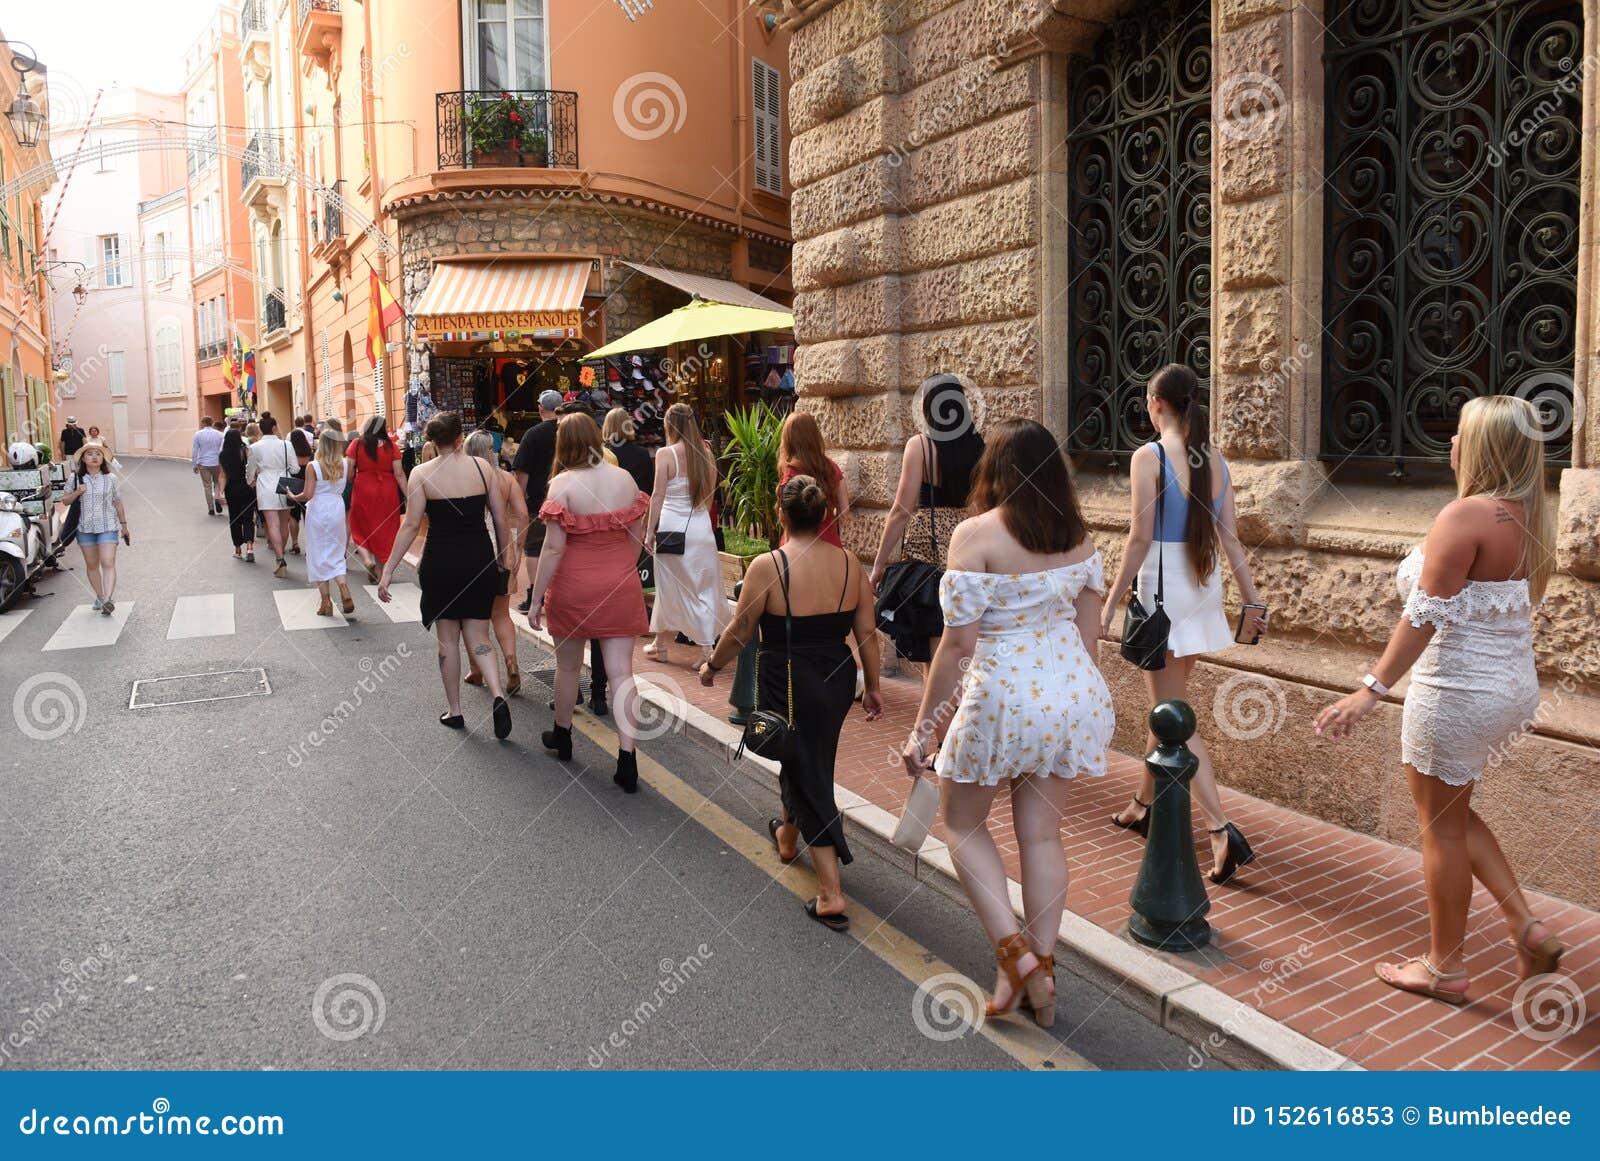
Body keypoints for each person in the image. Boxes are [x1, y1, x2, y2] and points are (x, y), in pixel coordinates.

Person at [1315, 395, 1562, 1003]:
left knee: (1440, 831)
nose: (1448, 443)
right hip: (1509, 692)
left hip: (1456, 693)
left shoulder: (1466, 515)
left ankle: (1444, 967)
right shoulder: (1531, 516)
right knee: (1453, 817)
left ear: (1480, 446)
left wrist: (1369, 690)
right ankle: (1525, 926)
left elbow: (1424, 616)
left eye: (1458, 434)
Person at [903, 419, 1111, 1026]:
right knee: (1042, 836)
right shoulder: (1079, 539)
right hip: (1069, 690)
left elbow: (956, 647)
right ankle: (1037, 970)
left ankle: (1014, 956)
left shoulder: (976, 535)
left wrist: (924, 732)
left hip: (1001, 693)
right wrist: (1070, 699)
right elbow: (1089, 638)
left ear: (995, 471)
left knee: (962, 825)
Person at [1100, 364, 1267, 885]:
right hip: (1201, 583)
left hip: (1163, 588)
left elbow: (1138, 538)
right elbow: (1232, 540)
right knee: (1166, 708)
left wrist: (1107, 603)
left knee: (1172, 716)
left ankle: (1221, 829)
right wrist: (1253, 600)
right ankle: (1142, 805)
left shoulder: (1147, 457)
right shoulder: (1214, 460)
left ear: (1156, 404)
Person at [700, 475, 883, 927]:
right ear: (824, 515)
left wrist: (711, 667)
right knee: (805, 758)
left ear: (781, 514)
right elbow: (867, 635)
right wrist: (873, 687)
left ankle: (831, 892)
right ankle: (786, 835)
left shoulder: (768, 565)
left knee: (808, 772)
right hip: (837, 679)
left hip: (787, 680)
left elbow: (742, 631)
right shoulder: (850, 565)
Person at [526, 413, 650, 789]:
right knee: (622, 673)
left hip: (573, 586)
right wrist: (620, 567)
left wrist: (535, 600)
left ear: (563, 443)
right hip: (619, 583)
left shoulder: (561, 485)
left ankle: (562, 736)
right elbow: (637, 537)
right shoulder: (625, 479)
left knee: (567, 668)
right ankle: (627, 759)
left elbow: (552, 548)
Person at [380, 412, 515, 739]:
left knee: (448, 641)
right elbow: (499, 517)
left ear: (432, 441)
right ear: (460, 438)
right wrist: (505, 558)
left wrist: (388, 570)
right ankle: (497, 693)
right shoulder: (483, 469)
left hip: (441, 562)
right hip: (478, 559)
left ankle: (455, 710)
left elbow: (411, 525)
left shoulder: (421, 474)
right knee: (480, 637)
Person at [868, 374, 986, 661]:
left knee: (934, 636)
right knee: (964, 636)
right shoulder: (979, 445)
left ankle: (935, 703)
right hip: (968, 543)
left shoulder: (920, 446)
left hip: (928, 551)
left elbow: (901, 510)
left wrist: (879, 564)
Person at [644, 402, 728, 665]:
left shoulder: (665, 454)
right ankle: (663, 644)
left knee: (670, 587)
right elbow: (710, 493)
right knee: (702, 587)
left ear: (670, 425)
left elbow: (657, 496)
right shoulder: (706, 451)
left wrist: (648, 532)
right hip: (700, 526)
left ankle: (701, 650)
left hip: (672, 528)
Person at [463, 430, 527, 697]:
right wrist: (518, 548)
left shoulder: (465, 478)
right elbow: (523, 515)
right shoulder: (505, 478)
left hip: (473, 552)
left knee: (472, 618)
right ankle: (511, 662)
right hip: (503, 551)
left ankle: (477, 670)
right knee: (501, 614)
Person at [288, 431, 355, 617]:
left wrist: (294, 496)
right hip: (336, 507)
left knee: (317, 553)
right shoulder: (346, 464)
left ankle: (326, 602)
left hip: (318, 509)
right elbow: (346, 483)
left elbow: (308, 494)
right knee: (336, 550)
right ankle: (343, 586)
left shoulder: (313, 466)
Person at [60, 442, 128, 615]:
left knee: (107, 561)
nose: (94, 457)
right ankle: (99, 596)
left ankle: (107, 600)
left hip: (108, 525)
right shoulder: (75, 478)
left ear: (102, 458)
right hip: (84, 528)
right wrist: (77, 492)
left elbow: (117, 502)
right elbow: (65, 500)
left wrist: (124, 525)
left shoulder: (110, 478)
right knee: (92, 564)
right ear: (83, 458)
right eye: (90, 454)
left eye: (98, 453)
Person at [512, 389, 563, 613]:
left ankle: (536, 592)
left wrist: (519, 499)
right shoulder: (570, 431)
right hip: (568, 501)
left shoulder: (532, 434)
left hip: (538, 502)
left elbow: (522, 472)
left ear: (540, 409)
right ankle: (559, 591)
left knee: (534, 549)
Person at [777, 411, 848, 550]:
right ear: (815, 436)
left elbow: (785, 517)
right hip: (830, 543)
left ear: (788, 440)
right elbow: (845, 510)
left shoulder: (790, 473)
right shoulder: (831, 467)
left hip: (798, 547)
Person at [347, 416, 406, 583]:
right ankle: (380, 570)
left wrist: (351, 482)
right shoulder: (392, 447)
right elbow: (399, 474)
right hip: (387, 491)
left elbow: (350, 471)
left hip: (363, 488)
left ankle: (367, 561)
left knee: (360, 527)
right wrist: (410, 494)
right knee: (385, 529)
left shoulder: (357, 444)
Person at [245, 414, 295, 577]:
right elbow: (295, 469)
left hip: (266, 485)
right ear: (274, 428)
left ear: (261, 429)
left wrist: (251, 480)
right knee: (284, 523)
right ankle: (282, 557)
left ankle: (279, 559)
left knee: (272, 524)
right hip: (285, 485)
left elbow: (250, 469)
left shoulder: (255, 447)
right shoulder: (287, 445)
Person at [218, 426, 257, 563]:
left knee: (234, 519)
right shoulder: (245, 451)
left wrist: (220, 492)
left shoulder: (223, 455)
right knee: (248, 518)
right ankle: (250, 548)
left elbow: (223, 475)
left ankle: (238, 549)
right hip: (246, 488)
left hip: (231, 489)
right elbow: (253, 469)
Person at [603, 406, 654, 493]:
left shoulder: (603, 455)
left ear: (607, 426)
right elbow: (649, 486)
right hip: (639, 503)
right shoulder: (643, 453)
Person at [284, 428, 311, 556]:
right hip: (308, 485)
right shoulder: (310, 452)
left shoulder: (290, 452)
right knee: (308, 516)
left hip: (293, 485)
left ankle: (295, 543)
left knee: (293, 516)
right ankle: (309, 546)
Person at [192, 416, 225, 516]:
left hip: (203, 463)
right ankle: (217, 500)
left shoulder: (198, 434)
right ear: (211, 423)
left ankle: (210, 508)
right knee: (217, 484)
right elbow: (222, 449)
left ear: (203, 423)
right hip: (216, 462)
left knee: (207, 486)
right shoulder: (220, 434)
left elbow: (195, 450)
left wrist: (194, 464)